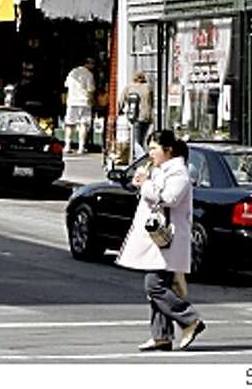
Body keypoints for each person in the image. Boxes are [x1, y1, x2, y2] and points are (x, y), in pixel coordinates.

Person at [116, 130, 205, 352]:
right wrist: (143, 183)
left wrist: (145, 184)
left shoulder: (179, 173)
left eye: (155, 148)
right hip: (158, 239)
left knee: (155, 285)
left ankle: (190, 319)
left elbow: (169, 198)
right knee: (157, 287)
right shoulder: (159, 170)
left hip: (169, 239)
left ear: (168, 150)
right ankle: (162, 336)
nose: (150, 153)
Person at [63, 58, 95, 154]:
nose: (93, 66)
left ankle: (67, 145)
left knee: (69, 124)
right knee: (83, 124)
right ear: (88, 64)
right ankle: (81, 147)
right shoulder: (89, 74)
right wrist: (91, 101)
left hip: (72, 101)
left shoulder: (72, 73)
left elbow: (66, 85)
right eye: (92, 64)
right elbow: (90, 90)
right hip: (84, 102)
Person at [122, 71, 154, 159]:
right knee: (142, 138)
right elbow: (151, 102)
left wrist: (121, 109)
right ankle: (140, 155)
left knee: (136, 140)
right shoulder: (148, 87)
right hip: (146, 116)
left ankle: (141, 157)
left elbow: (121, 100)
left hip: (135, 115)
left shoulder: (129, 87)